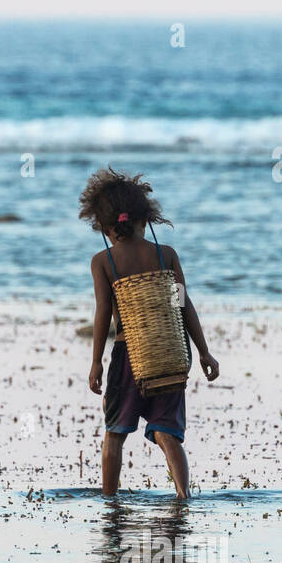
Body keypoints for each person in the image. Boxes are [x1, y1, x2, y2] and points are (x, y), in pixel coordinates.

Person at [81, 168, 219, 499]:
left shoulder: (104, 261)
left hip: (128, 358)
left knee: (114, 432)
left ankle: (109, 500)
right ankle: (184, 496)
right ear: (146, 219)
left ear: (103, 225)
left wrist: (97, 361)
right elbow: (184, 305)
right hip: (169, 356)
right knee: (168, 434)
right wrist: (203, 352)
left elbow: (103, 313)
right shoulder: (165, 254)